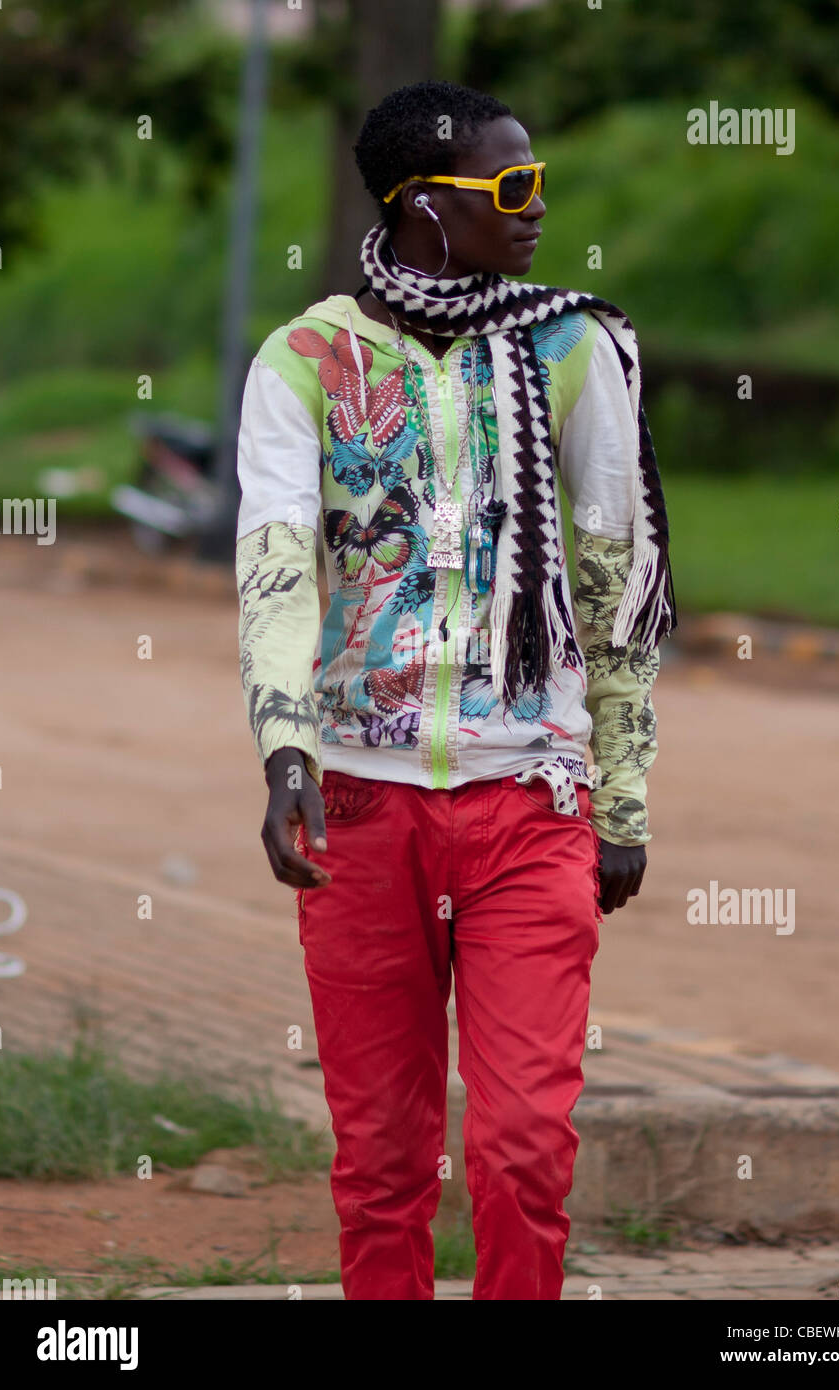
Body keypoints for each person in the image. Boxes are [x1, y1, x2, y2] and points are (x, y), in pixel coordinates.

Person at [234, 80, 676, 1301]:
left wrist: (622, 797)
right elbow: (277, 573)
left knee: (524, 1144)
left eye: (538, 182)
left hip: (531, 801)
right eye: (511, 188)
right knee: (380, 1160)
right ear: (426, 205)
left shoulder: (573, 346)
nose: (538, 211)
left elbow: (614, 580)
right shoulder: (307, 361)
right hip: (360, 817)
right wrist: (288, 758)